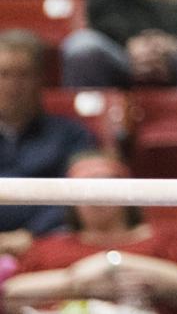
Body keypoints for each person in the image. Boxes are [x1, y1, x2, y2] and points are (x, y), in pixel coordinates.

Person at [3, 152, 177, 314]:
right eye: (83, 187)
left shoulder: (162, 241)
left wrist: (113, 262)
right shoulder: (48, 247)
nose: (95, 194)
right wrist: (77, 282)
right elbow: (11, 294)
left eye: (105, 183)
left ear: (127, 191)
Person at [0, 31, 96, 258]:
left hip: (49, 242)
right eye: (3, 74)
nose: (13, 85)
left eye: (23, 75)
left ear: (41, 79)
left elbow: (81, 196)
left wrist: (31, 234)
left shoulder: (72, 135)